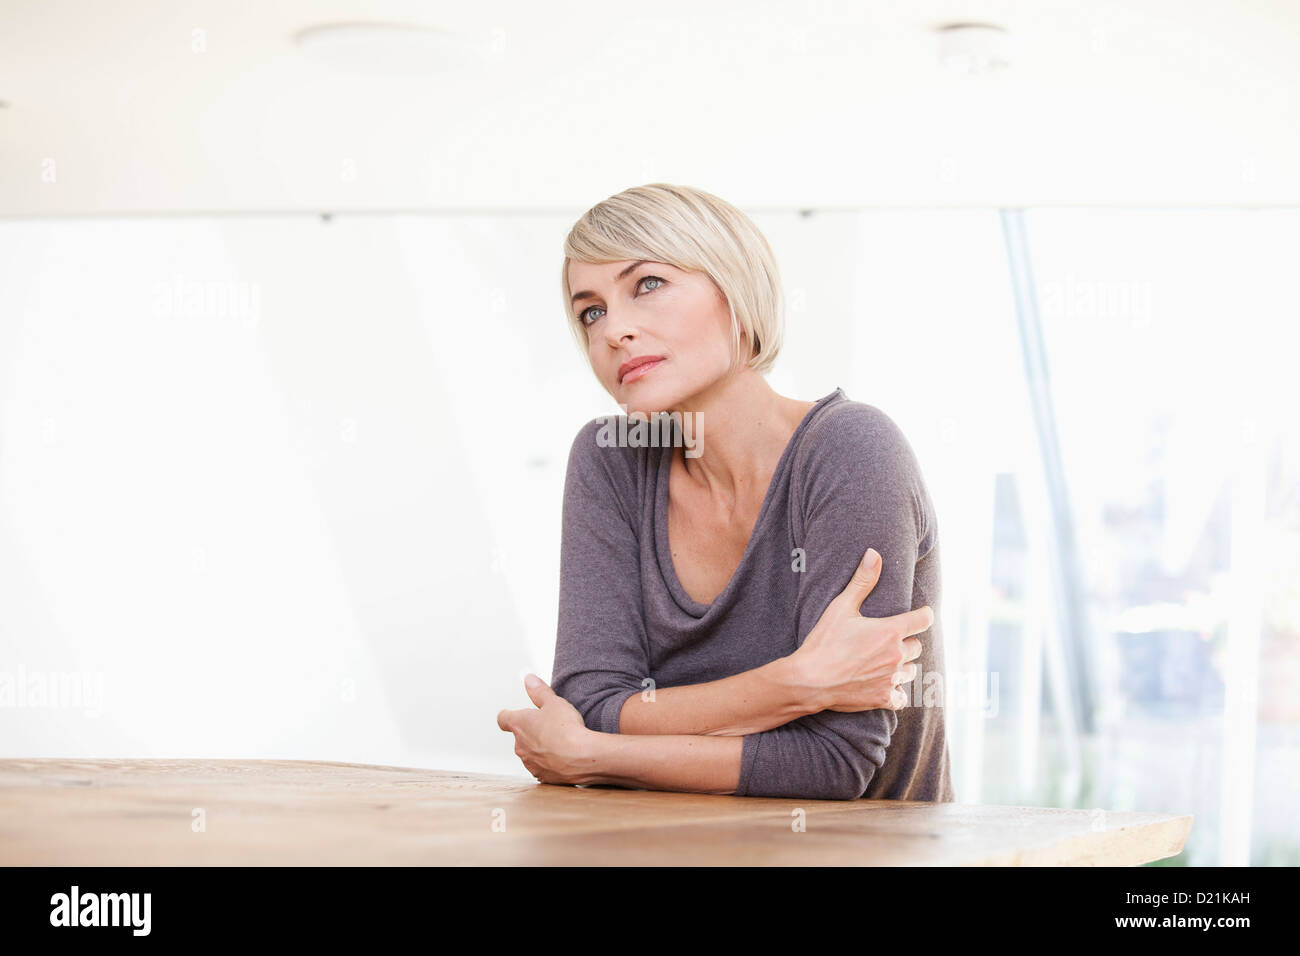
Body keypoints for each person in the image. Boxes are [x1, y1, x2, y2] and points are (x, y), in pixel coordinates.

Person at [497, 183, 953, 801]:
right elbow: (591, 700)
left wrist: (596, 753)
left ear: (734, 289)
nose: (613, 331)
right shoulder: (610, 459)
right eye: (591, 311)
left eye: (648, 284)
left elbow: (834, 763)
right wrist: (797, 685)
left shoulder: (852, 450)